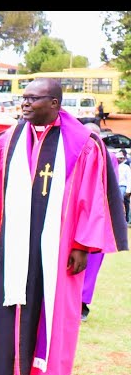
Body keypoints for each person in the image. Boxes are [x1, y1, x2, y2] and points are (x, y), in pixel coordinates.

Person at [0, 79, 127, 375]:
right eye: (23, 98)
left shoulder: (82, 143)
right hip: (13, 243)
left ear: (55, 103)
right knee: (4, 310)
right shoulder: (8, 140)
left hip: (57, 248)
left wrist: (82, 245)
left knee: (54, 315)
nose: (24, 104)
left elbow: (92, 197)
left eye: (33, 98)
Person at [78, 122, 119, 322]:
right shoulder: (75, 152)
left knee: (92, 263)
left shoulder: (109, 157)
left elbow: (109, 190)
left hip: (97, 217)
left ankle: (83, 304)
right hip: (76, 214)